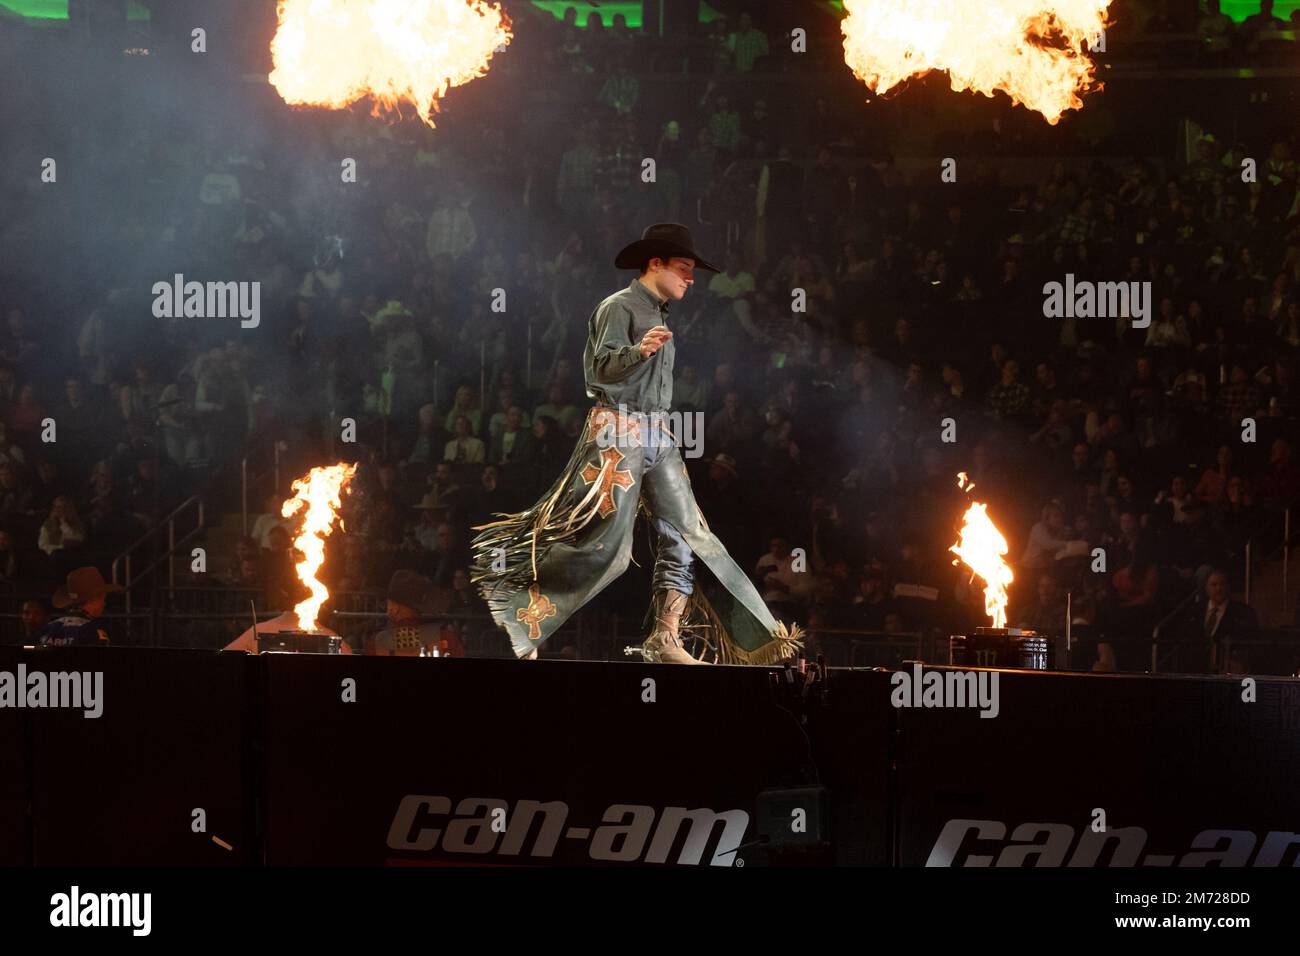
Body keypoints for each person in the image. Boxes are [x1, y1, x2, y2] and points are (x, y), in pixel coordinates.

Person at [470, 223, 803, 665]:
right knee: (608, 547)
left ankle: (665, 638)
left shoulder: (661, 314)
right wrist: (638, 353)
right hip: (618, 430)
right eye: (684, 268)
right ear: (655, 263)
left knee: (687, 534)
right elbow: (599, 371)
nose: (690, 277)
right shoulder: (619, 307)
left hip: (657, 433)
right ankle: (523, 615)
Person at [368, 570, 461, 657]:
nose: (386, 607)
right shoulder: (448, 639)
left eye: (388, 603)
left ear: (395, 608)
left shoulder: (378, 643)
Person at [34, 566, 121, 646]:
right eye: (103, 599)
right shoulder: (93, 632)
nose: (104, 604)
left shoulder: (48, 629)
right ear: (93, 599)